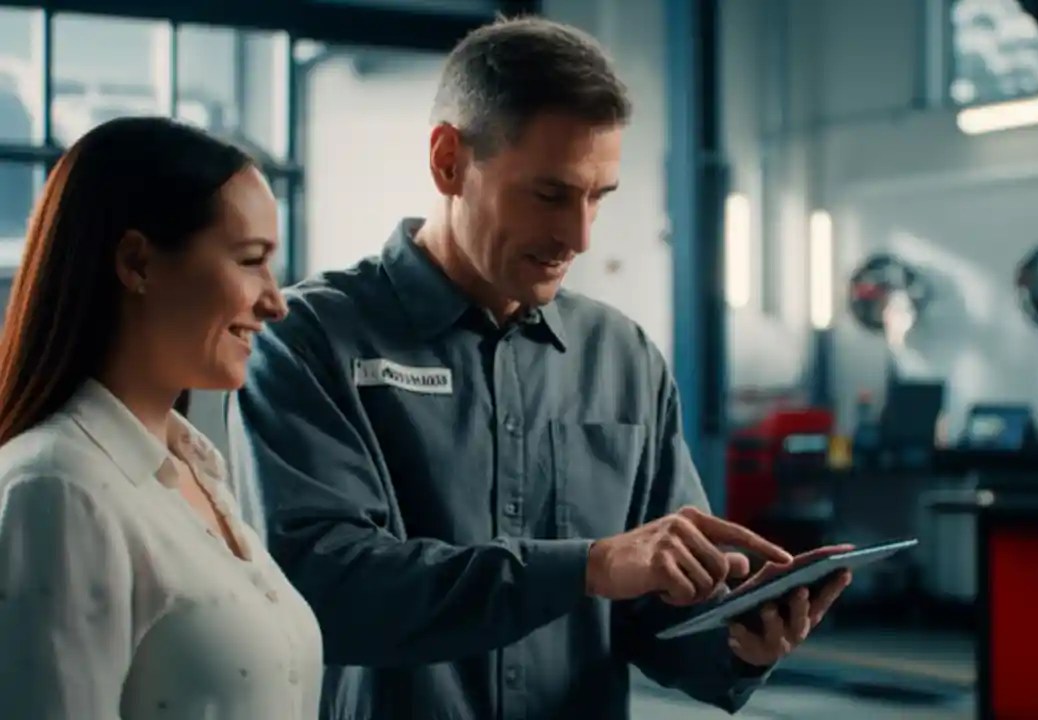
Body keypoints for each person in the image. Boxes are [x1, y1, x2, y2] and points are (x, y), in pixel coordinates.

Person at [227, 16, 851, 720]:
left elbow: (660, 621)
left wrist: (743, 644)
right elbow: (326, 590)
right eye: (550, 195)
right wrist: (585, 567)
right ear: (448, 162)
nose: (579, 237)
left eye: (598, 197)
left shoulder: (624, 361)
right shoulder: (310, 340)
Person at [0, 117, 324, 718]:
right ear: (137, 263)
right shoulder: (59, 489)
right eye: (251, 260)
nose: (275, 301)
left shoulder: (197, 472)